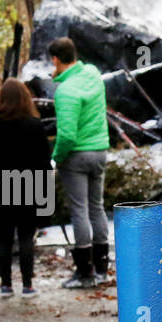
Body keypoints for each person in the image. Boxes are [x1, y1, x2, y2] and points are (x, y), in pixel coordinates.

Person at [0, 79, 52, 297]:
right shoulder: (35, 125)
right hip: (29, 186)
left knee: (4, 237)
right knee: (27, 237)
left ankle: (5, 285)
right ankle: (28, 284)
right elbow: (43, 161)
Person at [47, 37, 110, 288]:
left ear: (55, 60)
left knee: (79, 210)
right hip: (100, 151)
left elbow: (67, 136)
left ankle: (85, 273)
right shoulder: (93, 74)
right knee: (97, 207)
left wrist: (55, 158)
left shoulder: (65, 92)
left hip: (76, 156)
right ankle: (102, 269)